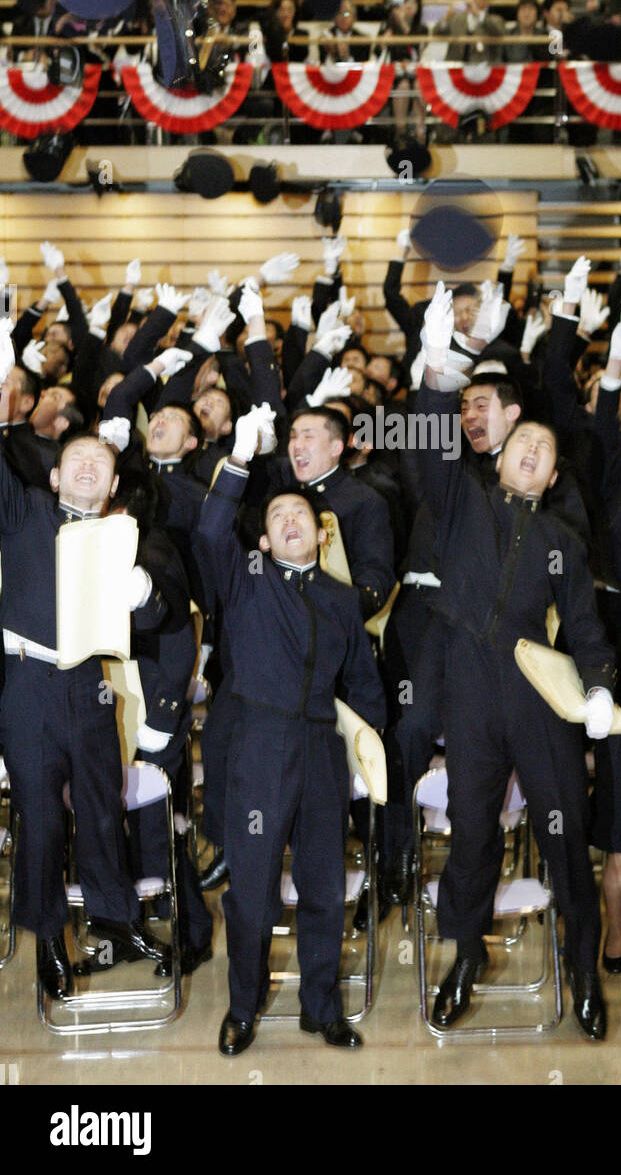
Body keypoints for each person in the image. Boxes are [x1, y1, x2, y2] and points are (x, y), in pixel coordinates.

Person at [415, 283, 616, 1036]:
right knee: (471, 837)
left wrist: (598, 690)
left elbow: (591, 633)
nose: (528, 455)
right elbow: (434, 439)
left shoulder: (564, 543)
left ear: (553, 474)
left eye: (542, 452)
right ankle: (463, 957)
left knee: (564, 841)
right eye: (519, 446)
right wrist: (438, 370)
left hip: (537, 700)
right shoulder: (462, 499)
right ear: (501, 458)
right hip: (469, 695)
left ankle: (583, 970)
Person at [197, 406, 386, 1056]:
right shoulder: (245, 580)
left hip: (320, 748)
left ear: (319, 533)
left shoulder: (339, 598)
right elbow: (212, 529)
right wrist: (239, 462)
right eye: (277, 519)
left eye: (299, 516)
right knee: (250, 889)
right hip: (257, 741)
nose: (288, 522)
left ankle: (321, 1008)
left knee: (325, 886)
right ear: (265, 542)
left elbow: (362, 682)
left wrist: (368, 757)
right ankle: (242, 1009)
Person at [0, 322, 171, 1002]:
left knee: (103, 809)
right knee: (41, 819)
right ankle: (46, 938)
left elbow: (158, 620)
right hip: (28, 685)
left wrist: (145, 591)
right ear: (53, 473)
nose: (89, 467)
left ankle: (116, 919)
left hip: (90, 686)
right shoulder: (24, 514)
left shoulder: (121, 534)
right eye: (77, 459)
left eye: (100, 462)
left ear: (113, 484)